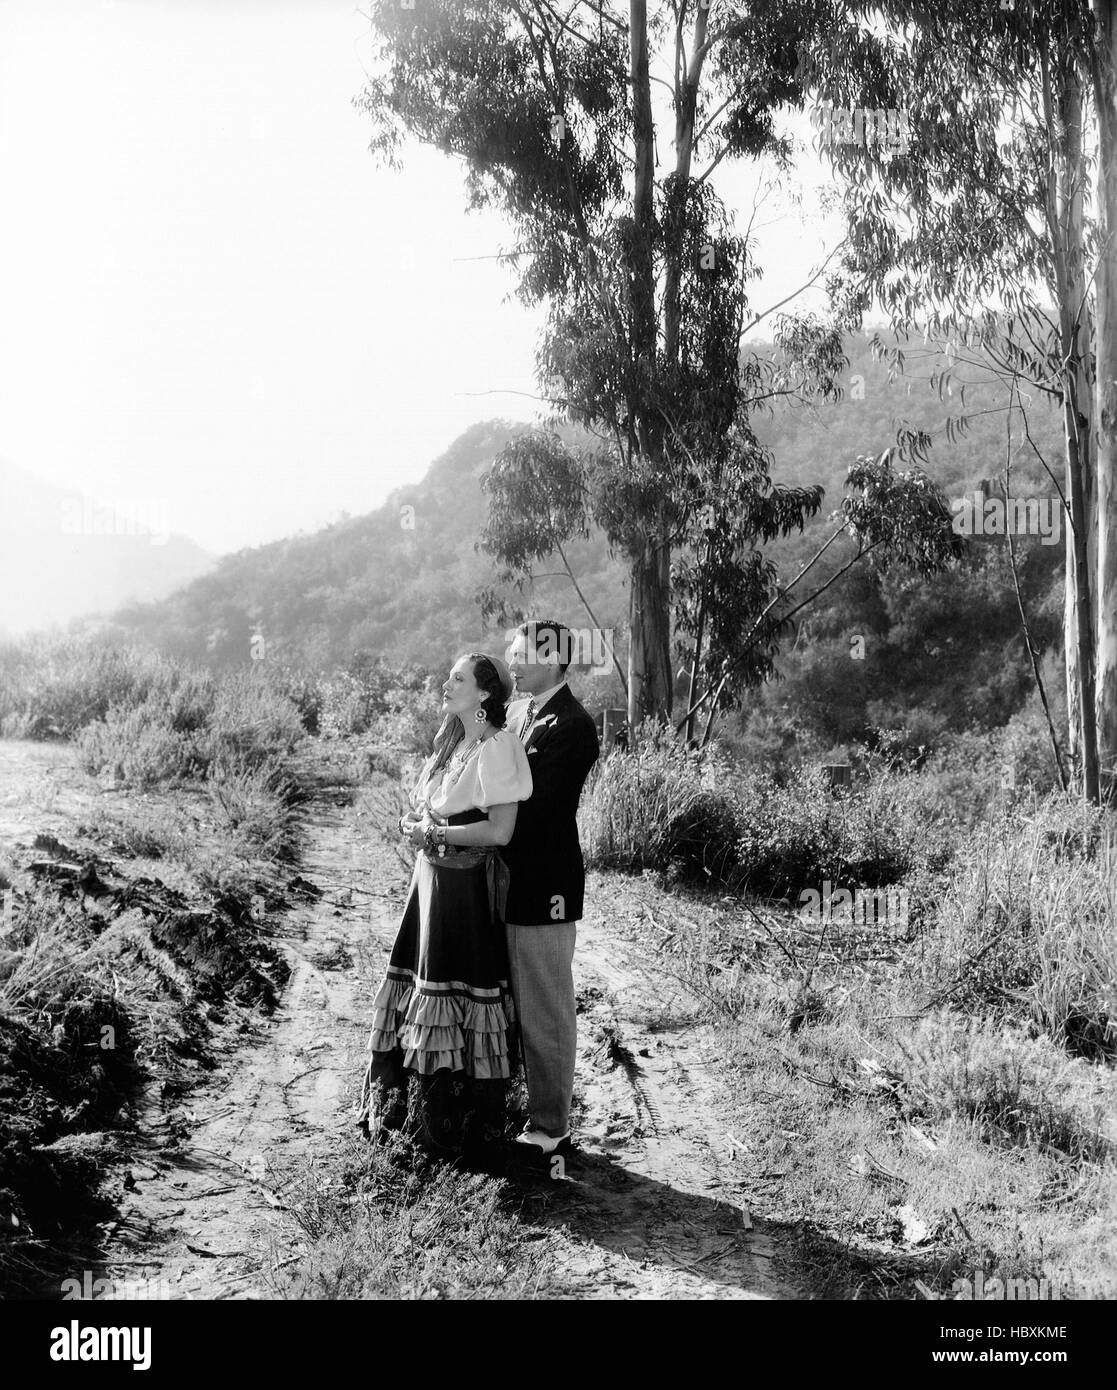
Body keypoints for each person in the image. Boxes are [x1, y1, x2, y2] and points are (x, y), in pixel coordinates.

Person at [356, 652, 531, 1155]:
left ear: (484, 694)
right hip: (430, 882)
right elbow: (437, 810)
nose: (446, 684)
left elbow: (500, 830)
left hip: (464, 889)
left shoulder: (498, 746)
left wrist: (437, 833)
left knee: (455, 988)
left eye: (458, 678)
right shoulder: (454, 742)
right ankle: (408, 1114)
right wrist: (420, 826)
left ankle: (456, 1128)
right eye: (449, 676)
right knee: (420, 984)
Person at [502, 619, 600, 1156]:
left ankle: (550, 1128)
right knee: (512, 1000)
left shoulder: (574, 725)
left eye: (520, 655)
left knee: (545, 1004)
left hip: (545, 884)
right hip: (508, 877)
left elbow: (538, 809)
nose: (511, 664)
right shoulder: (520, 713)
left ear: (552, 658)